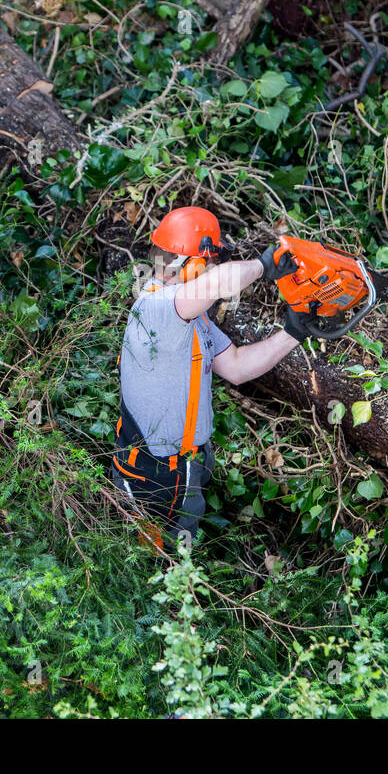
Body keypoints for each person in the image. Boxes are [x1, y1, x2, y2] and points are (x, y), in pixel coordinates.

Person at [111, 206, 314, 553]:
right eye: (208, 263)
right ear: (193, 266)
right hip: (153, 473)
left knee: (179, 555)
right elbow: (220, 283)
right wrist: (265, 266)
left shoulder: (193, 320)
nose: (212, 271)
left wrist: (294, 333)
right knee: (151, 562)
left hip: (188, 466)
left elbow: (235, 366)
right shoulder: (157, 308)